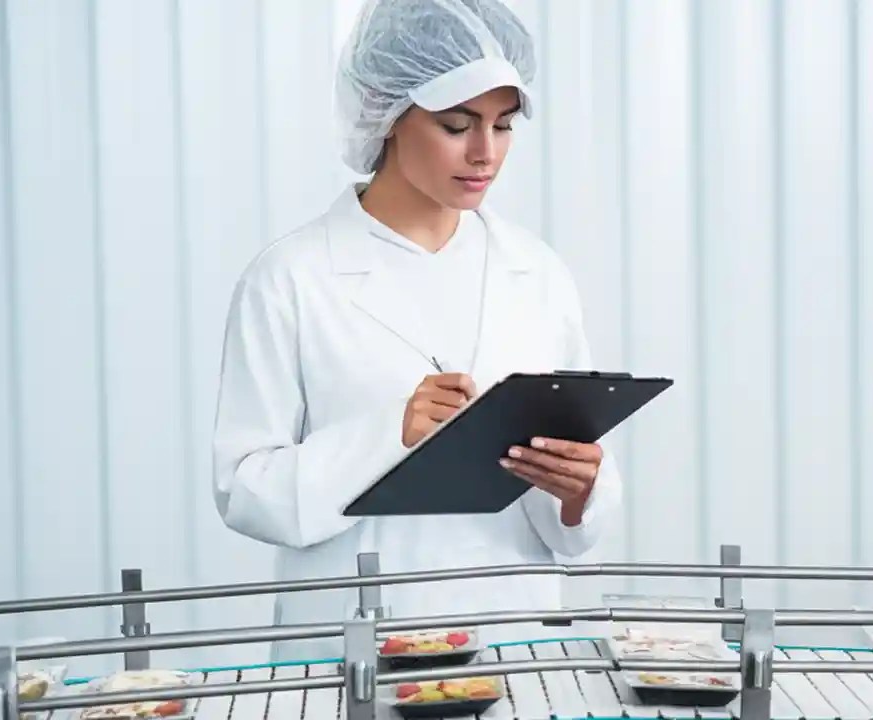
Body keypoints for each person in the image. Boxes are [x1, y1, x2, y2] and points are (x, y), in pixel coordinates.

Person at [211, 0, 622, 661]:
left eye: (504, 125)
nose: (485, 153)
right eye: (456, 124)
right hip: (358, 644)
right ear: (385, 111)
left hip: (516, 640)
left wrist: (581, 493)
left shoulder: (537, 273)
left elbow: (572, 496)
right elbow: (246, 490)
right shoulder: (291, 278)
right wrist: (390, 434)